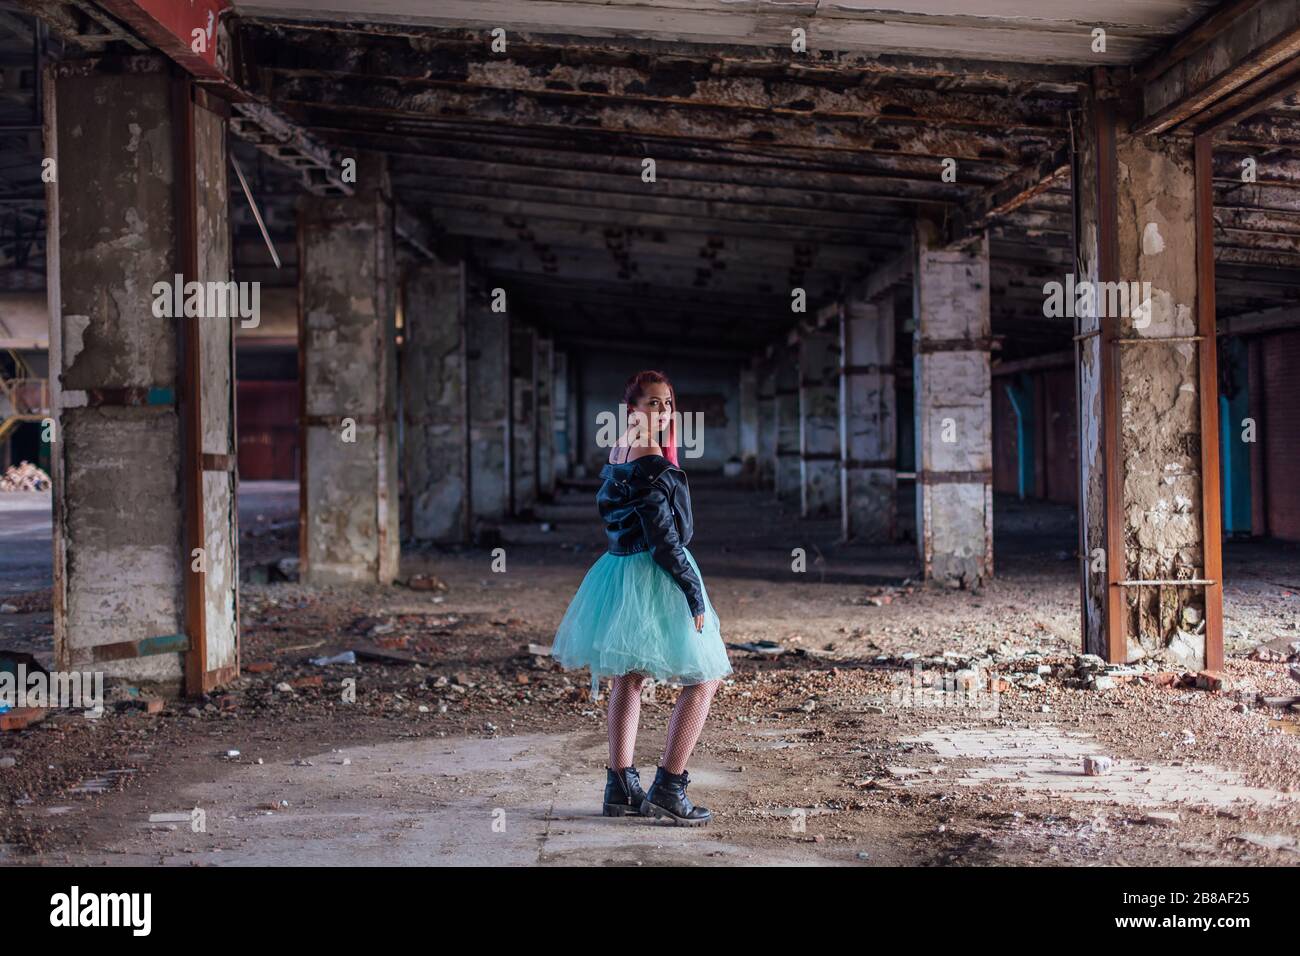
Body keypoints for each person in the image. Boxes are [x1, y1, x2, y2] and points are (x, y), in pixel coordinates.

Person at [550, 370, 732, 826]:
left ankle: (620, 785)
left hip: (619, 569)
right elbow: (666, 540)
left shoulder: (619, 450)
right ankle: (669, 787)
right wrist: (692, 593)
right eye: (653, 403)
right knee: (705, 676)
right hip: (655, 572)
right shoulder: (652, 458)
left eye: (668, 403)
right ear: (632, 409)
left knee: (628, 678)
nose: (663, 411)